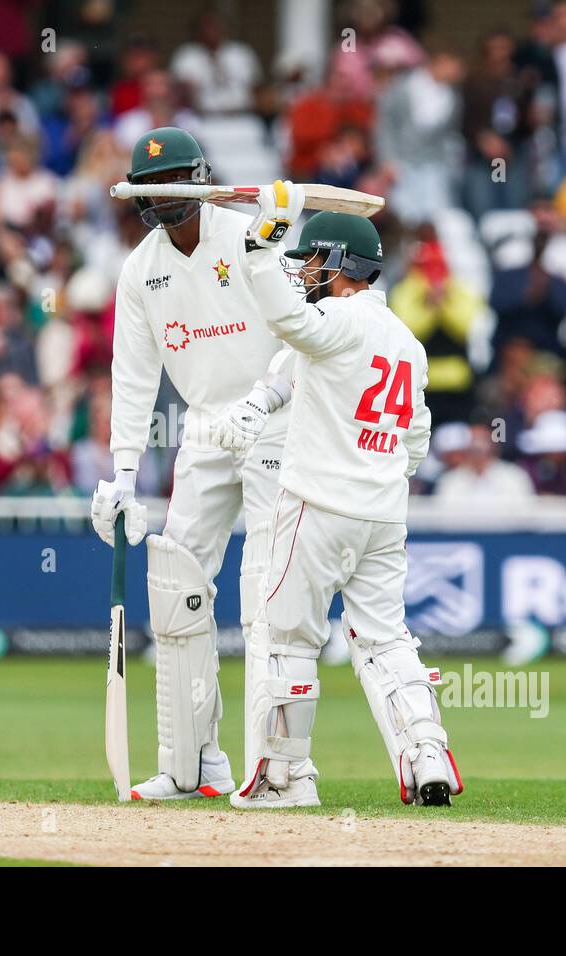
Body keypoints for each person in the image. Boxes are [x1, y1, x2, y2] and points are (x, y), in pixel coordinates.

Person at [211, 203, 462, 808]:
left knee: (289, 638)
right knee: (385, 640)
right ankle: (428, 754)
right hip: (383, 514)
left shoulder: (335, 318)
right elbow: (416, 441)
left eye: (315, 259)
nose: (306, 270)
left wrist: (260, 249)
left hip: (316, 505)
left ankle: (282, 778)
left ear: (344, 264)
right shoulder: (407, 342)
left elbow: (291, 323)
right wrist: (260, 406)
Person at [88, 127, 295, 801]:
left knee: (266, 588)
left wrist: (265, 402)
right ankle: (193, 763)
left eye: (173, 182)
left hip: (272, 419)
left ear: (200, 179)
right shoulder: (138, 269)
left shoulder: (249, 234)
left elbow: (302, 332)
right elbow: (133, 375)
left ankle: (279, 767)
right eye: (150, 189)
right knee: (175, 580)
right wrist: (122, 475)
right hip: (205, 427)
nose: (164, 199)